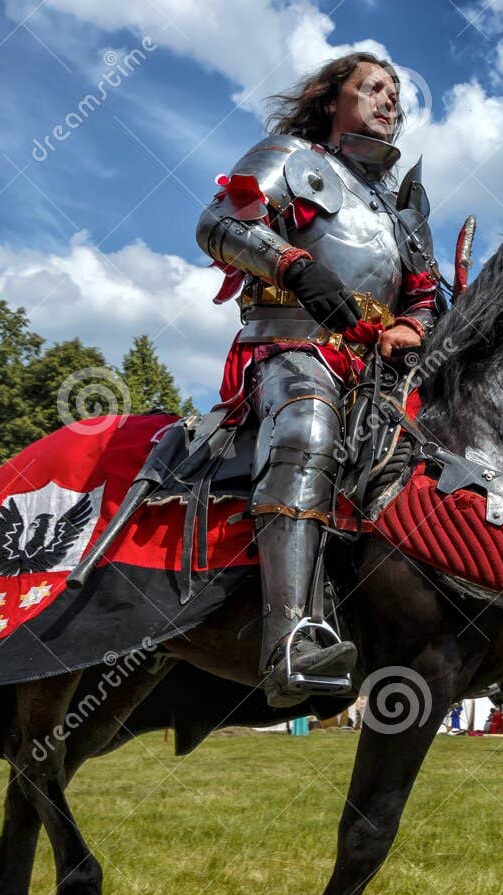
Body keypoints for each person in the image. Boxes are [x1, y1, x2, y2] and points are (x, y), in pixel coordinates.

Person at [196, 52, 443, 703]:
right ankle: (289, 641)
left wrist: (412, 327)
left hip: (379, 374)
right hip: (291, 347)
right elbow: (217, 223)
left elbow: (422, 293)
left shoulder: (401, 212)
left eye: (395, 93)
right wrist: (296, 267)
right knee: (307, 427)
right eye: (371, 89)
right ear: (332, 100)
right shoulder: (289, 158)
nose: (388, 101)